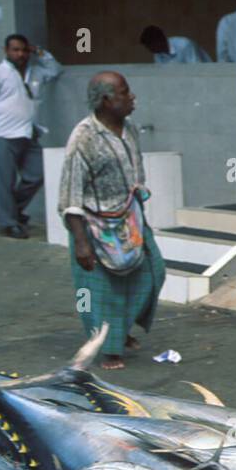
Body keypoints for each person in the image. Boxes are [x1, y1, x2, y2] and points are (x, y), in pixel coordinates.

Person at [57, 72, 167, 371]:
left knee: (154, 271)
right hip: (93, 225)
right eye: (125, 93)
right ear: (106, 101)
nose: (132, 98)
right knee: (101, 290)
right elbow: (70, 195)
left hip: (130, 218)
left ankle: (121, 330)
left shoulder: (129, 129)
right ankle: (109, 349)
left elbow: (135, 174)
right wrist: (81, 242)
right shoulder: (83, 138)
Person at [0, 33, 63, 239]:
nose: (20, 54)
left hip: (28, 133)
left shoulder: (36, 73)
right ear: (6, 51)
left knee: (38, 172)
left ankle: (11, 212)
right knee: (5, 181)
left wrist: (40, 52)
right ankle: (8, 223)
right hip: (3, 134)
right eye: (15, 50)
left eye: (23, 50)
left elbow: (56, 70)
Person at [139, 25, 212, 64]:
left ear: (159, 41)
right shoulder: (157, 55)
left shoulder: (184, 45)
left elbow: (197, 69)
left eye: (151, 46)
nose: (149, 50)